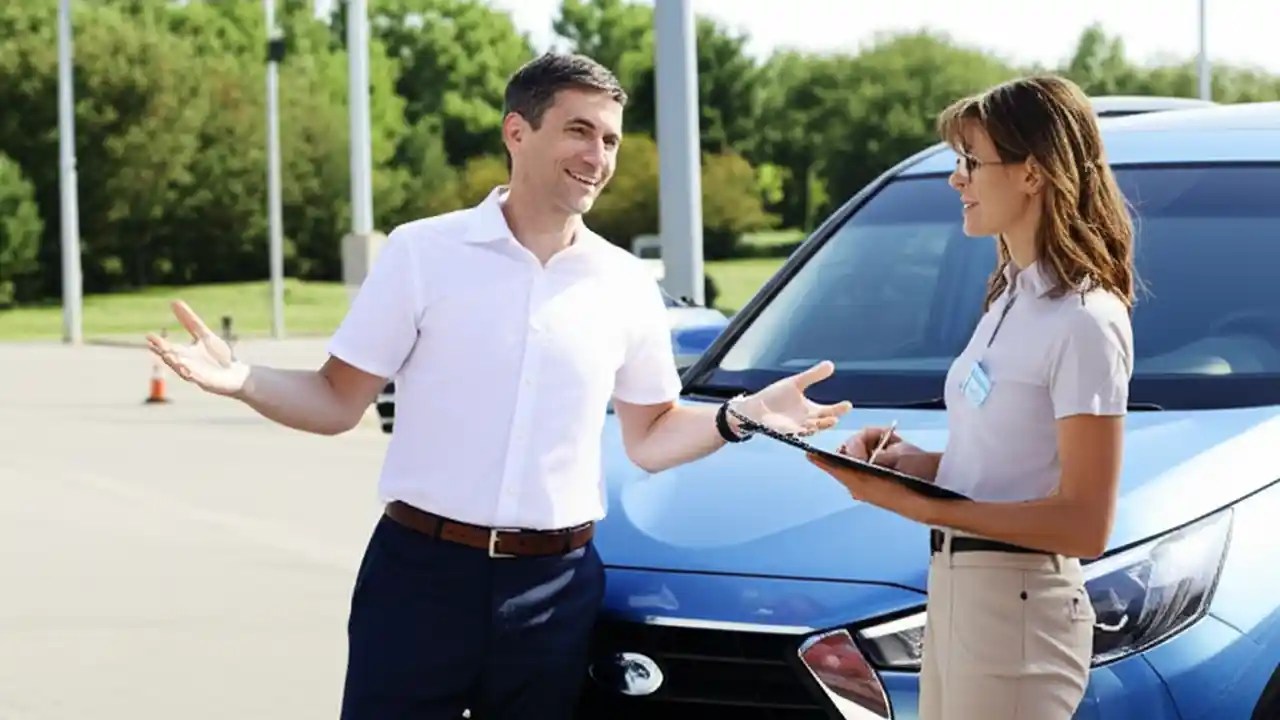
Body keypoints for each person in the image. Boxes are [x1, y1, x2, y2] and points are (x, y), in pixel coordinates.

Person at [146, 52, 850, 720]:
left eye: (610, 140)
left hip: (556, 587)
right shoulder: (423, 253)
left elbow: (652, 435)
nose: (597, 157)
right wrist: (241, 380)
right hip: (420, 576)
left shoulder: (626, 285)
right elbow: (336, 401)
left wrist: (739, 416)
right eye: (579, 130)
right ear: (517, 131)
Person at [806, 74, 1135, 720]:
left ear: (1033, 173)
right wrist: (919, 466)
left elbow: (1085, 523)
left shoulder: (1085, 319)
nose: (957, 179)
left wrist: (919, 505)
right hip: (963, 597)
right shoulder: (1008, 300)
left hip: (1018, 613)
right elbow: (1007, 464)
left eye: (971, 162)